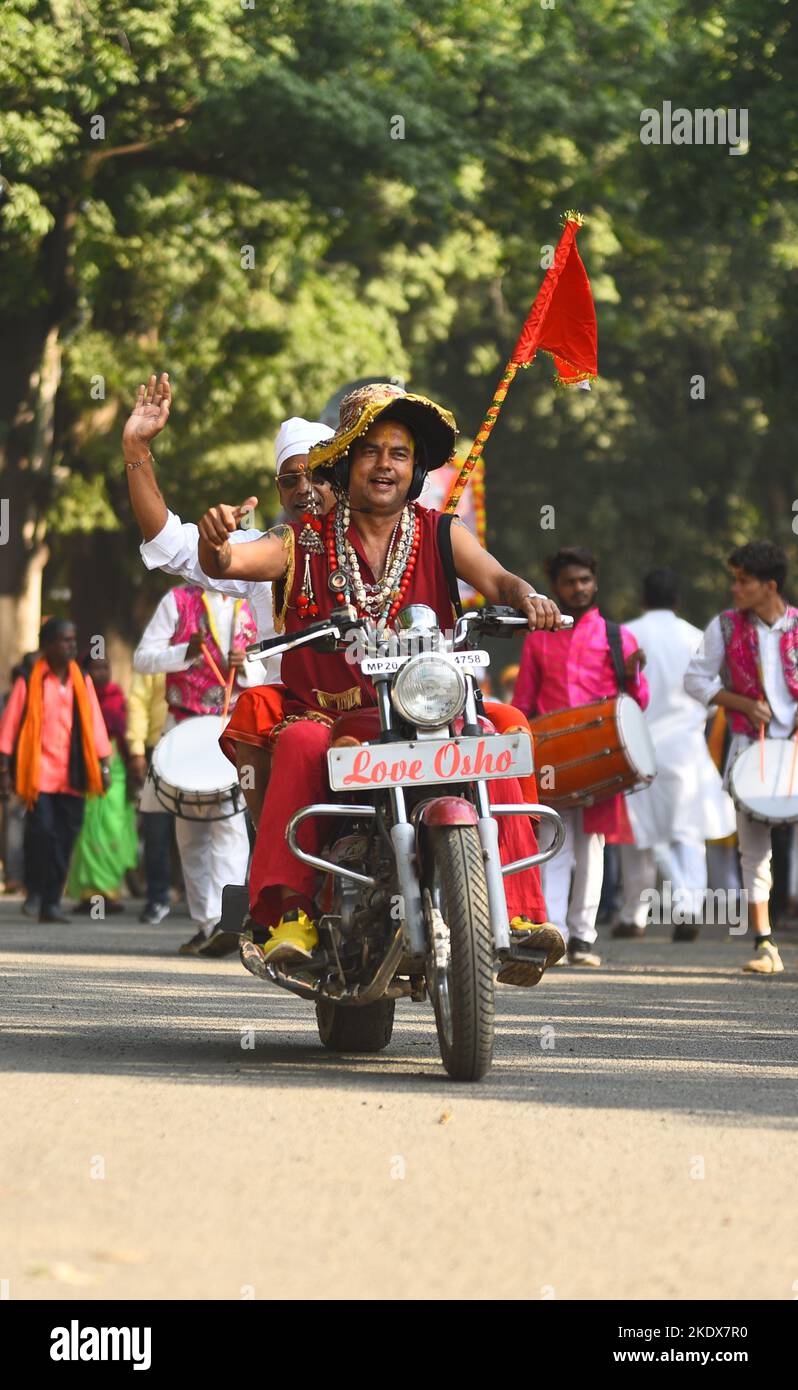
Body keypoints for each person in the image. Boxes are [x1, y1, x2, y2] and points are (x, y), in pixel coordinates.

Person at [196, 380, 567, 988]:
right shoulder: (302, 538)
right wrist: (215, 546)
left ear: (415, 466)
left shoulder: (441, 531)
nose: (386, 465)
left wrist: (530, 597)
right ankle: (291, 917)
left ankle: (519, 912)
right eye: (371, 451)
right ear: (343, 460)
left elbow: (500, 581)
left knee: (507, 724)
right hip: (329, 719)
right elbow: (231, 564)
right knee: (298, 744)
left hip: (430, 712)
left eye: (399, 453)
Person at [123, 372, 334, 826]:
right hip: (292, 714)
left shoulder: (379, 542)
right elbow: (167, 541)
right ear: (278, 489)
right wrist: (136, 451)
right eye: (290, 479)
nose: (304, 489)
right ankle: (277, 859)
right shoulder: (266, 549)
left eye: (317, 475)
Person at [513, 547, 649, 966]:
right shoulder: (538, 638)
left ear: (595, 583)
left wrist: (634, 676)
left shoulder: (617, 637)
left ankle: (584, 937)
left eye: (585, 580)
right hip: (553, 756)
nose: (579, 588)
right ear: (556, 588)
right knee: (553, 843)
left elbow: (638, 702)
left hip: (601, 758)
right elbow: (523, 704)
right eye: (570, 582)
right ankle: (553, 932)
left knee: (591, 847)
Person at [684, 540, 794, 974]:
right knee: (754, 850)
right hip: (752, 749)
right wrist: (742, 704)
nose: (735, 588)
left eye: (742, 580)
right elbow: (695, 680)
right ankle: (765, 943)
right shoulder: (725, 627)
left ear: (770, 586)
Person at [133, 583, 256, 953]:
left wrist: (247, 664)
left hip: (229, 728)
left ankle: (227, 922)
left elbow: (275, 668)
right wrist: (182, 653)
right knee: (190, 834)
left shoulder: (250, 601)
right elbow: (142, 659)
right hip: (184, 729)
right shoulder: (177, 600)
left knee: (231, 827)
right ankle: (207, 925)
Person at [615, 568, 736, 941]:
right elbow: (711, 698)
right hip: (686, 747)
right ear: (678, 601)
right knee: (688, 834)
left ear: (643, 600)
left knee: (640, 836)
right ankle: (689, 907)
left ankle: (634, 915)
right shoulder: (696, 637)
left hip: (638, 747)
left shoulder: (628, 635)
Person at [0, 619, 111, 923]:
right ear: (47, 645)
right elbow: (9, 726)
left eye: (73, 639)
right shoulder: (28, 679)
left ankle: (50, 902)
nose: (71, 645)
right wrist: (5, 768)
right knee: (42, 833)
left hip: (73, 774)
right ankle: (36, 892)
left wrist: (103, 763)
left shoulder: (82, 679)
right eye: (64, 640)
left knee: (66, 837)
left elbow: (95, 723)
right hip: (39, 774)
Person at [67, 651, 139, 914]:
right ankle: (88, 894)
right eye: (95, 668)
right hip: (85, 766)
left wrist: (133, 765)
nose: (102, 673)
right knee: (87, 829)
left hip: (115, 767)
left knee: (112, 826)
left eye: (106, 667)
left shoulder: (116, 697)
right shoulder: (78, 698)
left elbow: (126, 736)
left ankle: (109, 892)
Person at [127, 670, 174, 924]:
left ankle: (214, 910)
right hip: (158, 748)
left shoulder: (220, 640)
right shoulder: (158, 644)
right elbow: (138, 700)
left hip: (204, 745)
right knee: (156, 828)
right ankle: (158, 898)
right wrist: (136, 749)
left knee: (211, 833)